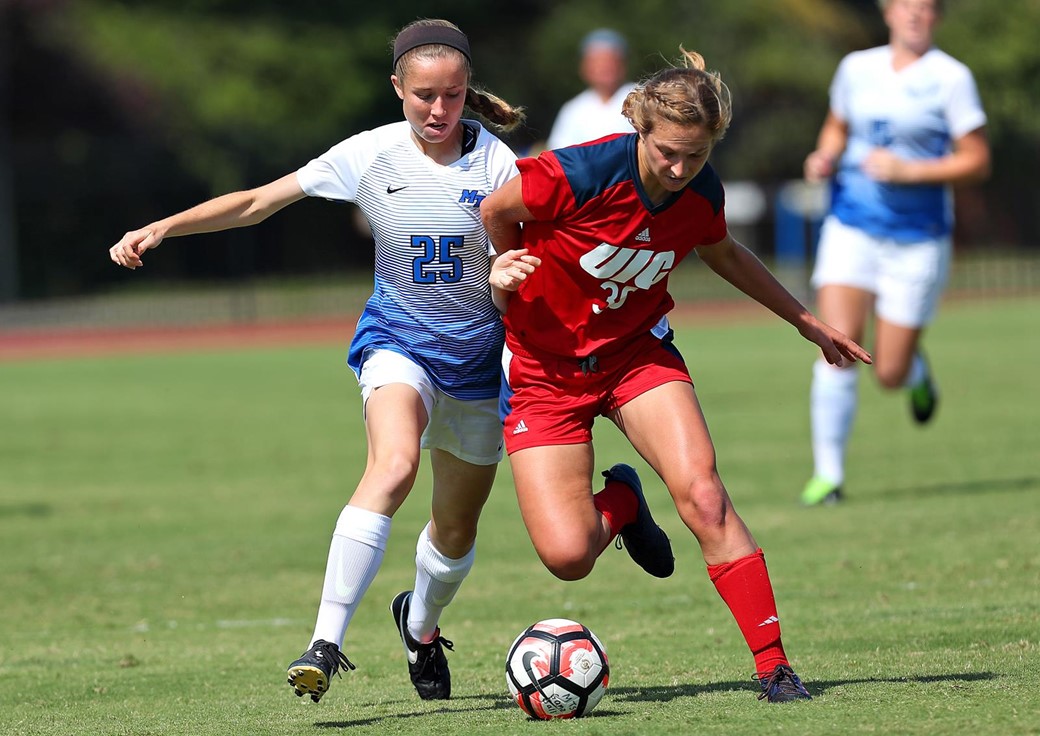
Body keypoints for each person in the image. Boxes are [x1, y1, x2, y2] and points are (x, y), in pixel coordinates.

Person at [109, 18, 525, 704]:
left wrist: (509, 279)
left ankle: (420, 627)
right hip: (400, 342)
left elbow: (529, 267)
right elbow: (255, 202)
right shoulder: (369, 154)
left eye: (451, 96)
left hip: (481, 363)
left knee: (455, 528)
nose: (438, 110)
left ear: (466, 90)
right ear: (397, 88)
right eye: (423, 95)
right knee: (393, 465)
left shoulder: (500, 165)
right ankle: (324, 644)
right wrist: (165, 225)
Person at [480, 48, 871, 703]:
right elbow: (497, 208)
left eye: (696, 154)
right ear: (641, 128)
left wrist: (804, 320)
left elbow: (723, 251)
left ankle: (774, 667)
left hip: (638, 357)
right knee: (568, 556)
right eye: (668, 152)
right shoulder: (577, 173)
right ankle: (626, 502)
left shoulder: (701, 189)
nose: (680, 168)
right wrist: (507, 262)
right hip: (545, 373)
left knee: (706, 497)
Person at [799, 0, 990, 506]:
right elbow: (836, 126)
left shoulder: (951, 78)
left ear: (937, 17)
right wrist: (826, 155)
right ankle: (828, 477)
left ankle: (915, 370)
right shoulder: (855, 68)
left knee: (888, 372)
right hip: (851, 226)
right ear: (887, 11)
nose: (914, 14)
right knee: (836, 345)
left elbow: (977, 159)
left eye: (925, 8)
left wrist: (913, 172)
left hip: (917, 237)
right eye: (906, 4)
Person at [545, 28, 637, 150]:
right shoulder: (573, 110)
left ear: (623, 64)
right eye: (596, 62)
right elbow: (559, 153)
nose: (604, 68)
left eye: (610, 61)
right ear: (584, 67)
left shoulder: (644, 98)